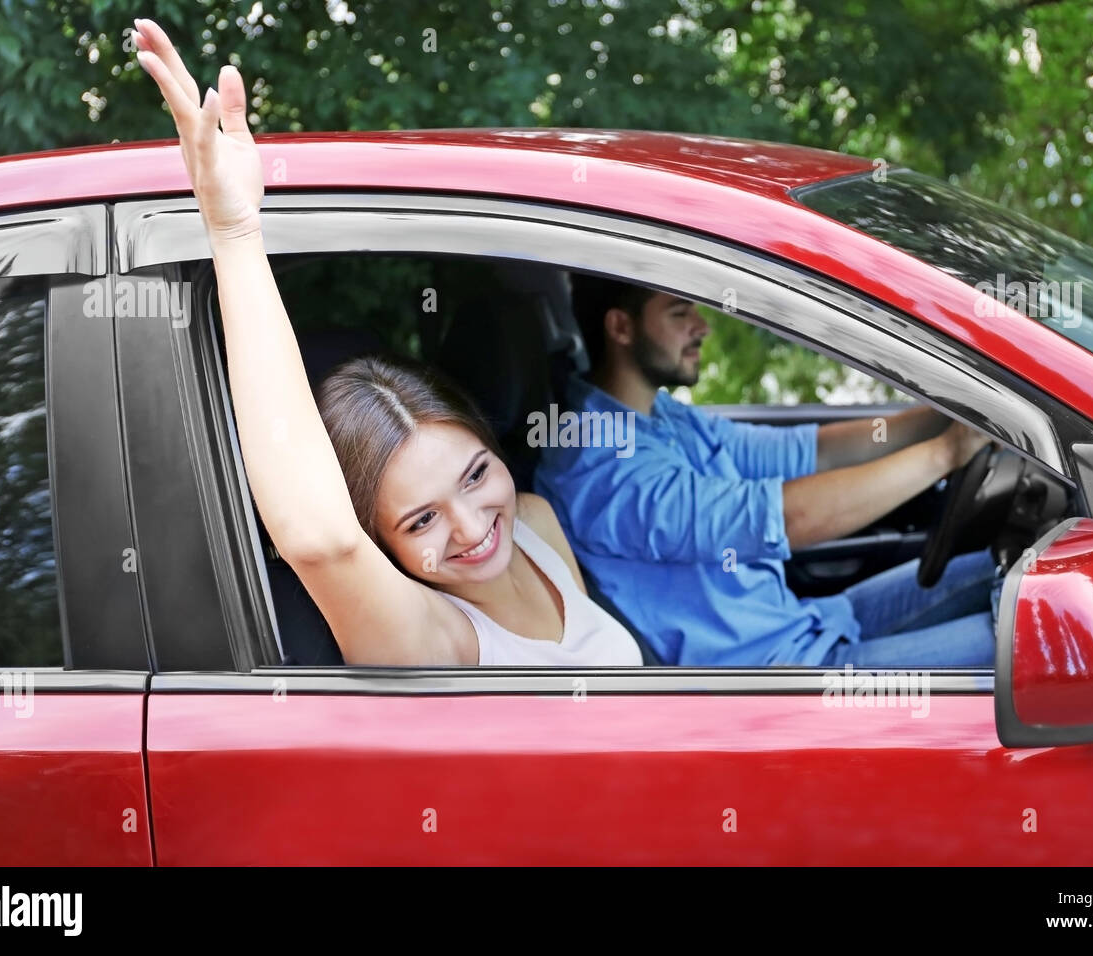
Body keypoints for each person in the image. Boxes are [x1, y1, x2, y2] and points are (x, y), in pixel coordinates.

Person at [131, 19, 641, 667]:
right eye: (420, 521)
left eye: (476, 473)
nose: (471, 526)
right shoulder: (435, 639)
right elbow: (320, 542)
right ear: (382, 543)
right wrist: (234, 235)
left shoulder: (534, 523)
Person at [534, 275, 1002, 668]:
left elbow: (805, 452)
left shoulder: (658, 416)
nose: (702, 327)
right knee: (1029, 642)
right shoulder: (596, 465)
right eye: (680, 313)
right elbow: (783, 518)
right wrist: (943, 454)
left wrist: (941, 417)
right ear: (621, 327)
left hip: (808, 623)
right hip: (782, 677)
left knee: (1009, 569)